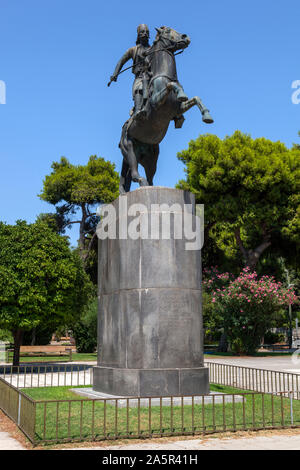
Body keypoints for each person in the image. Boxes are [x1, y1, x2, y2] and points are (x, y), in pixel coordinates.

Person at [109, 24, 151, 119]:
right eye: (142, 32)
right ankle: (138, 110)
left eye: (147, 32)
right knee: (139, 88)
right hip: (140, 77)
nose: (145, 34)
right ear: (138, 35)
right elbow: (121, 61)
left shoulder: (154, 49)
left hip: (152, 76)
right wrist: (115, 73)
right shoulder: (133, 50)